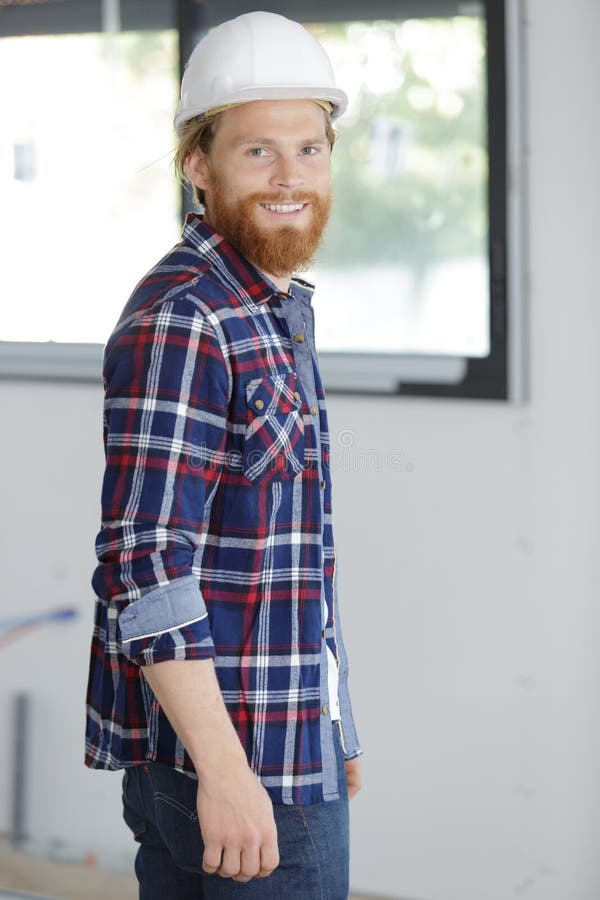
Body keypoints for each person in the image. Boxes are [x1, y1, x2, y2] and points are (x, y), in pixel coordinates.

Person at [85, 11, 362, 899]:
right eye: (257, 152)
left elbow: (291, 554)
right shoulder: (188, 316)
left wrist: (332, 722)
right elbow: (145, 563)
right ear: (196, 163)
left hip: (284, 739)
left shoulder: (269, 307)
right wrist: (231, 776)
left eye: (309, 149)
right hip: (236, 765)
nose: (291, 177)